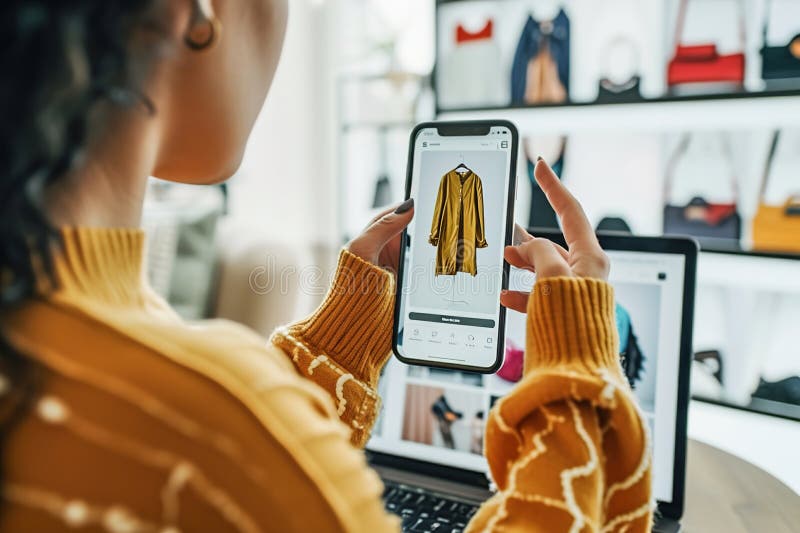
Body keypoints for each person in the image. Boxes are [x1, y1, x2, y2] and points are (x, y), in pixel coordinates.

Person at [0, 1, 651, 531]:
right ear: (194, 14)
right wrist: (577, 366)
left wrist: (338, 345)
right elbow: (234, 459)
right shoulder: (222, 434)